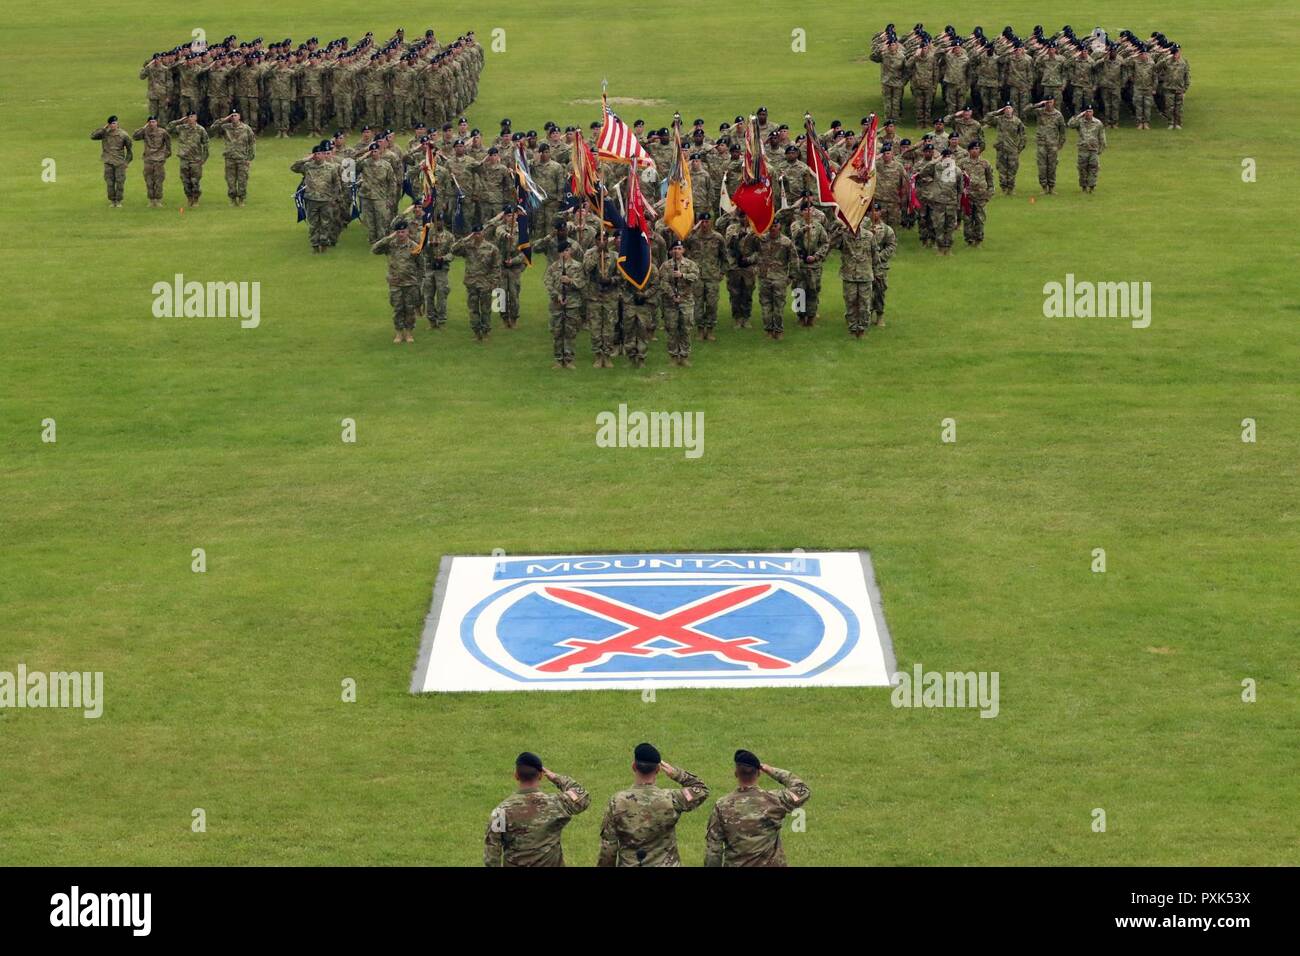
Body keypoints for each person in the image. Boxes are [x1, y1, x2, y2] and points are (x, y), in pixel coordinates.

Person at [597, 743, 709, 867]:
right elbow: (701, 789)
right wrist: (676, 774)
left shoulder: (617, 802)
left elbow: (608, 849)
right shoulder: (672, 799)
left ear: (634, 766)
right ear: (657, 769)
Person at [703, 750, 810, 867]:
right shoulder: (775, 800)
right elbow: (802, 790)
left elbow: (714, 850)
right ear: (758, 773)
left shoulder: (722, 806)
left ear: (736, 773)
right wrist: (771, 770)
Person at [483, 752, 590, 868]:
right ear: (540, 776)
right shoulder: (555, 803)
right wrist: (555, 777)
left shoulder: (500, 812)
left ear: (516, 776)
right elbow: (583, 796)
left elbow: (492, 855)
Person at [371, 217, 422, 343]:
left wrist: (418, 281)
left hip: (410, 282)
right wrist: (389, 237)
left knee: (409, 309)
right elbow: (374, 249)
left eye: (403, 232)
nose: (401, 234)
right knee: (397, 308)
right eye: (398, 232)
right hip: (395, 282)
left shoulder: (414, 246)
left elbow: (421, 265)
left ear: (408, 232)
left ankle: (409, 333)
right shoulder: (390, 245)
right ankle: (399, 333)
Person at [452, 222, 503, 342]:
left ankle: (485, 332)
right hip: (471, 283)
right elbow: (453, 250)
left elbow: (496, 267)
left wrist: (494, 282)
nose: (477, 235)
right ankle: (476, 332)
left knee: (485, 309)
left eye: (479, 233)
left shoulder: (491, 248)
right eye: (475, 233)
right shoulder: (468, 246)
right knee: (473, 309)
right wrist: (466, 238)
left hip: (485, 283)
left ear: (483, 233)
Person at [291, 142, 343, 252]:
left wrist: (335, 198)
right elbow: (293, 167)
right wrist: (307, 158)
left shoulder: (331, 168)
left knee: (326, 223)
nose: (318, 156)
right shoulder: (307, 166)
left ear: (324, 155)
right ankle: (314, 245)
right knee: (313, 224)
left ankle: (324, 244)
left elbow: (337, 184)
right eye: (316, 154)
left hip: (326, 200)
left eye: (320, 153)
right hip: (311, 199)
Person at [659, 239, 700, 367]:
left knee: (686, 329)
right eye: (674, 249)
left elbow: (695, 276)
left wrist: (683, 275)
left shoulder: (690, 264)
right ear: (671, 251)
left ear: (683, 250)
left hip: (686, 301)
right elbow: (663, 282)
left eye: (679, 248)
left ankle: (684, 355)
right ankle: (673, 355)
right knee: (672, 329)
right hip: (671, 303)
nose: (677, 251)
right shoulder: (665, 266)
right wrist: (672, 295)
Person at [789, 201, 831, 327]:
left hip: (813, 265)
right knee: (799, 291)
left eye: (811, 209)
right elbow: (793, 237)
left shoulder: (818, 227)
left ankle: (811, 317)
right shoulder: (796, 225)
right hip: (800, 264)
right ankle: (801, 317)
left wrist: (817, 256)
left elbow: (825, 243)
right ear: (801, 212)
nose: (809, 212)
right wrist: (803, 230)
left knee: (813, 291)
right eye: (806, 209)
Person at [582, 233, 621, 368]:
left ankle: (607, 355)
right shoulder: (589, 254)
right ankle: (598, 355)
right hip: (594, 296)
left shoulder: (615, 256)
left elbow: (621, 276)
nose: (602, 242)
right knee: (595, 327)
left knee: (609, 328)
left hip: (610, 297)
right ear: (595, 241)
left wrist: (611, 280)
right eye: (599, 240)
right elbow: (586, 269)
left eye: (605, 239)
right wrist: (597, 254)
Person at [415, 212, 454, 329]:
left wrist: (444, 258)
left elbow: (452, 253)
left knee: (442, 294)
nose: (439, 223)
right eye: (436, 221)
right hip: (429, 268)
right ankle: (431, 319)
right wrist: (428, 244)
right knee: (428, 295)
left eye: (440, 221)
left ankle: (441, 320)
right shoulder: (427, 234)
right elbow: (420, 248)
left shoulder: (449, 236)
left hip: (442, 269)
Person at [209, 110, 256, 206]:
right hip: (229, 158)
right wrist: (224, 119)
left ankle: (242, 199)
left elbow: (252, 143)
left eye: (235, 115)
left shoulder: (246, 128)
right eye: (232, 115)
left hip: (242, 158)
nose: (234, 117)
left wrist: (249, 158)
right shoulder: (226, 127)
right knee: (230, 180)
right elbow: (213, 128)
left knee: (242, 180)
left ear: (239, 117)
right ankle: (232, 199)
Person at [1023, 97, 1066, 194]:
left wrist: (1061, 143)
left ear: (1054, 102)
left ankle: (1051, 187)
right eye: (1047, 103)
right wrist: (1038, 104)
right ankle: (1044, 187)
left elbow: (1062, 131)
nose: (1049, 104)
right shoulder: (1039, 112)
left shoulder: (1058, 115)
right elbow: (1025, 111)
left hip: (1053, 144)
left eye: (1050, 102)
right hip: (1041, 144)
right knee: (1042, 166)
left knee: (1052, 166)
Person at [167, 111, 210, 207]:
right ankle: (189, 198)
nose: (190, 118)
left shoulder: (200, 130)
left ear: (196, 118)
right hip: (184, 159)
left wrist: (204, 158)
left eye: (192, 116)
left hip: (195, 159)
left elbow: (206, 144)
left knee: (195, 181)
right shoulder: (182, 128)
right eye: (189, 117)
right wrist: (179, 120)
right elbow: (169, 128)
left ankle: (195, 199)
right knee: (185, 180)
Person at [982, 104, 1026, 195]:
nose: (1008, 110)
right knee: (1001, 169)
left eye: (1009, 108)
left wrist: (1020, 148)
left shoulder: (1017, 121)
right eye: (1006, 108)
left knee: (1012, 169)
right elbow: (986, 118)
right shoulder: (999, 119)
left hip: (1012, 149)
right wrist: (997, 111)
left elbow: (1023, 136)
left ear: (1012, 110)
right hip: (1001, 148)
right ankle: (1004, 188)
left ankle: (1011, 188)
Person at [91, 115, 133, 207]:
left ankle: (118, 201)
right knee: (109, 182)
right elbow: (93, 136)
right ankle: (112, 200)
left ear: (117, 124)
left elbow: (129, 151)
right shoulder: (105, 133)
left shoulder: (124, 135)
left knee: (120, 182)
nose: (113, 125)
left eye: (115, 123)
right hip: (108, 161)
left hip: (119, 162)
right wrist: (104, 128)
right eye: (111, 124)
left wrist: (126, 162)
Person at [958, 141, 994, 244]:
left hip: (981, 196)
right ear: (969, 150)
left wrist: (989, 193)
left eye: (977, 149)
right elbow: (957, 177)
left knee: (980, 218)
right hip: (967, 196)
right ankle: (969, 239)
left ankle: (978, 239)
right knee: (967, 218)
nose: (975, 151)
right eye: (973, 149)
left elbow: (990, 179)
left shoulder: (985, 163)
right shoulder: (962, 163)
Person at [868, 201, 897, 327]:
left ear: (881, 212)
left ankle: (879, 315)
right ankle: (867, 315)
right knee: (866, 291)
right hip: (866, 264)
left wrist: (880, 256)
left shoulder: (886, 229)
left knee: (879, 290)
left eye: (877, 211)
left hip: (880, 265)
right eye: (872, 211)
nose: (875, 213)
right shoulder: (863, 227)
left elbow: (891, 245)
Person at [131, 116, 171, 207]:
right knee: (149, 180)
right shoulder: (145, 132)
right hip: (148, 160)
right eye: (150, 122)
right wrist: (144, 127)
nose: (152, 123)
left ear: (157, 122)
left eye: (154, 122)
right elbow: (135, 137)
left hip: (159, 160)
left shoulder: (163, 132)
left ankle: (158, 200)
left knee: (158, 180)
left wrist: (164, 156)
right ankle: (151, 200)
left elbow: (168, 145)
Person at [1066, 107, 1107, 192]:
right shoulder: (1080, 122)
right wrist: (1079, 115)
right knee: (1082, 168)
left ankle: (1092, 186)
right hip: (1083, 149)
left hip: (1093, 149)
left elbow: (1101, 136)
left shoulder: (1098, 123)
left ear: (1093, 112)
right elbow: (1070, 124)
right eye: (1087, 112)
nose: (1089, 113)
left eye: (1090, 111)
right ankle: (1083, 186)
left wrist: (1101, 148)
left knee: (1093, 167)